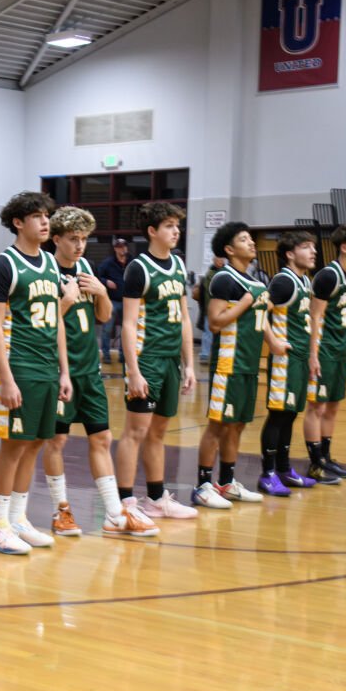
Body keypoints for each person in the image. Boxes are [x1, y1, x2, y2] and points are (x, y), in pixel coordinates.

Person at [37, 207, 143, 537]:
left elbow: (104, 315)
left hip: (89, 370)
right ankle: (61, 511)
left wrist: (101, 294)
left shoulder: (85, 267)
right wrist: (66, 300)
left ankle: (113, 512)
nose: (80, 245)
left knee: (102, 437)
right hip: (59, 371)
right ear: (56, 239)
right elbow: (44, 323)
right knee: (57, 439)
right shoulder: (45, 272)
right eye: (73, 239)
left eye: (84, 239)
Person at [0, 191, 67, 552]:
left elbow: (58, 321)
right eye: (37, 216)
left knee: (34, 444)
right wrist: (7, 378)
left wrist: (64, 372)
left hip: (47, 367)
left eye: (47, 215)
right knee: (13, 446)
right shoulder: (4, 265)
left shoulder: (50, 263)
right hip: (19, 366)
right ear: (18, 223)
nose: (45, 222)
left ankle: (18, 518)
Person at [116, 202, 198, 521]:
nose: (176, 230)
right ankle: (125, 503)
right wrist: (133, 370)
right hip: (147, 358)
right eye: (169, 225)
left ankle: (155, 498)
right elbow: (128, 323)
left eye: (177, 225)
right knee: (135, 432)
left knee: (159, 433)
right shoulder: (138, 268)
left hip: (170, 360)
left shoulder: (178, 265)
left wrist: (189, 364)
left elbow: (185, 320)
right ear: (152, 231)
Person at [193, 223, 273, 508]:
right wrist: (246, 303)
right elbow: (214, 323)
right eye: (243, 239)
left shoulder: (255, 281)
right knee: (217, 425)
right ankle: (203, 486)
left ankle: (226, 483)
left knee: (237, 425)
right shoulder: (224, 279)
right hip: (228, 363)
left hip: (249, 364)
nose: (251, 242)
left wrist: (275, 344)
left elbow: (261, 321)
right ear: (229, 249)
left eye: (251, 238)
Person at [259, 232, 324, 492]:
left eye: (313, 246)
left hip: (299, 358)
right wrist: (273, 341)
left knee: (290, 415)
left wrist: (311, 355)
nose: (313, 251)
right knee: (278, 415)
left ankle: (285, 469)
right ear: (289, 253)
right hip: (284, 359)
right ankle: (268, 473)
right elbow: (260, 312)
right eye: (306, 247)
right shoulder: (283, 282)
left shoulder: (304, 280)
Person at [305, 223, 346, 480]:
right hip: (323, 349)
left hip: (341, 349)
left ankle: (327, 456)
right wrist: (313, 354)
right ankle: (315, 462)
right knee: (316, 408)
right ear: (345, 247)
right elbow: (315, 316)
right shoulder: (327, 276)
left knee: (333, 407)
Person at [96, 236, 129, 363]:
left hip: (127, 301)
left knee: (126, 329)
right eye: (119, 247)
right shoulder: (107, 263)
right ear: (115, 249)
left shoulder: (131, 261)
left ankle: (123, 354)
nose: (122, 249)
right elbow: (97, 277)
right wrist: (106, 281)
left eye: (124, 246)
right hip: (112, 301)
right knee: (107, 329)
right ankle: (106, 354)